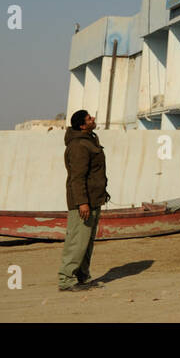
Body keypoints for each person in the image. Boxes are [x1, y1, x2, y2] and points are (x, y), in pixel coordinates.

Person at [59, 110, 109, 292]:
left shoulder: (89, 140)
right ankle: (66, 280)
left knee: (86, 242)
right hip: (83, 202)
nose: (93, 119)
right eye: (89, 118)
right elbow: (77, 178)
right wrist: (82, 202)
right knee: (77, 241)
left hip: (93, 199)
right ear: (82, 125)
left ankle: (83, 277)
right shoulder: (79, 145)